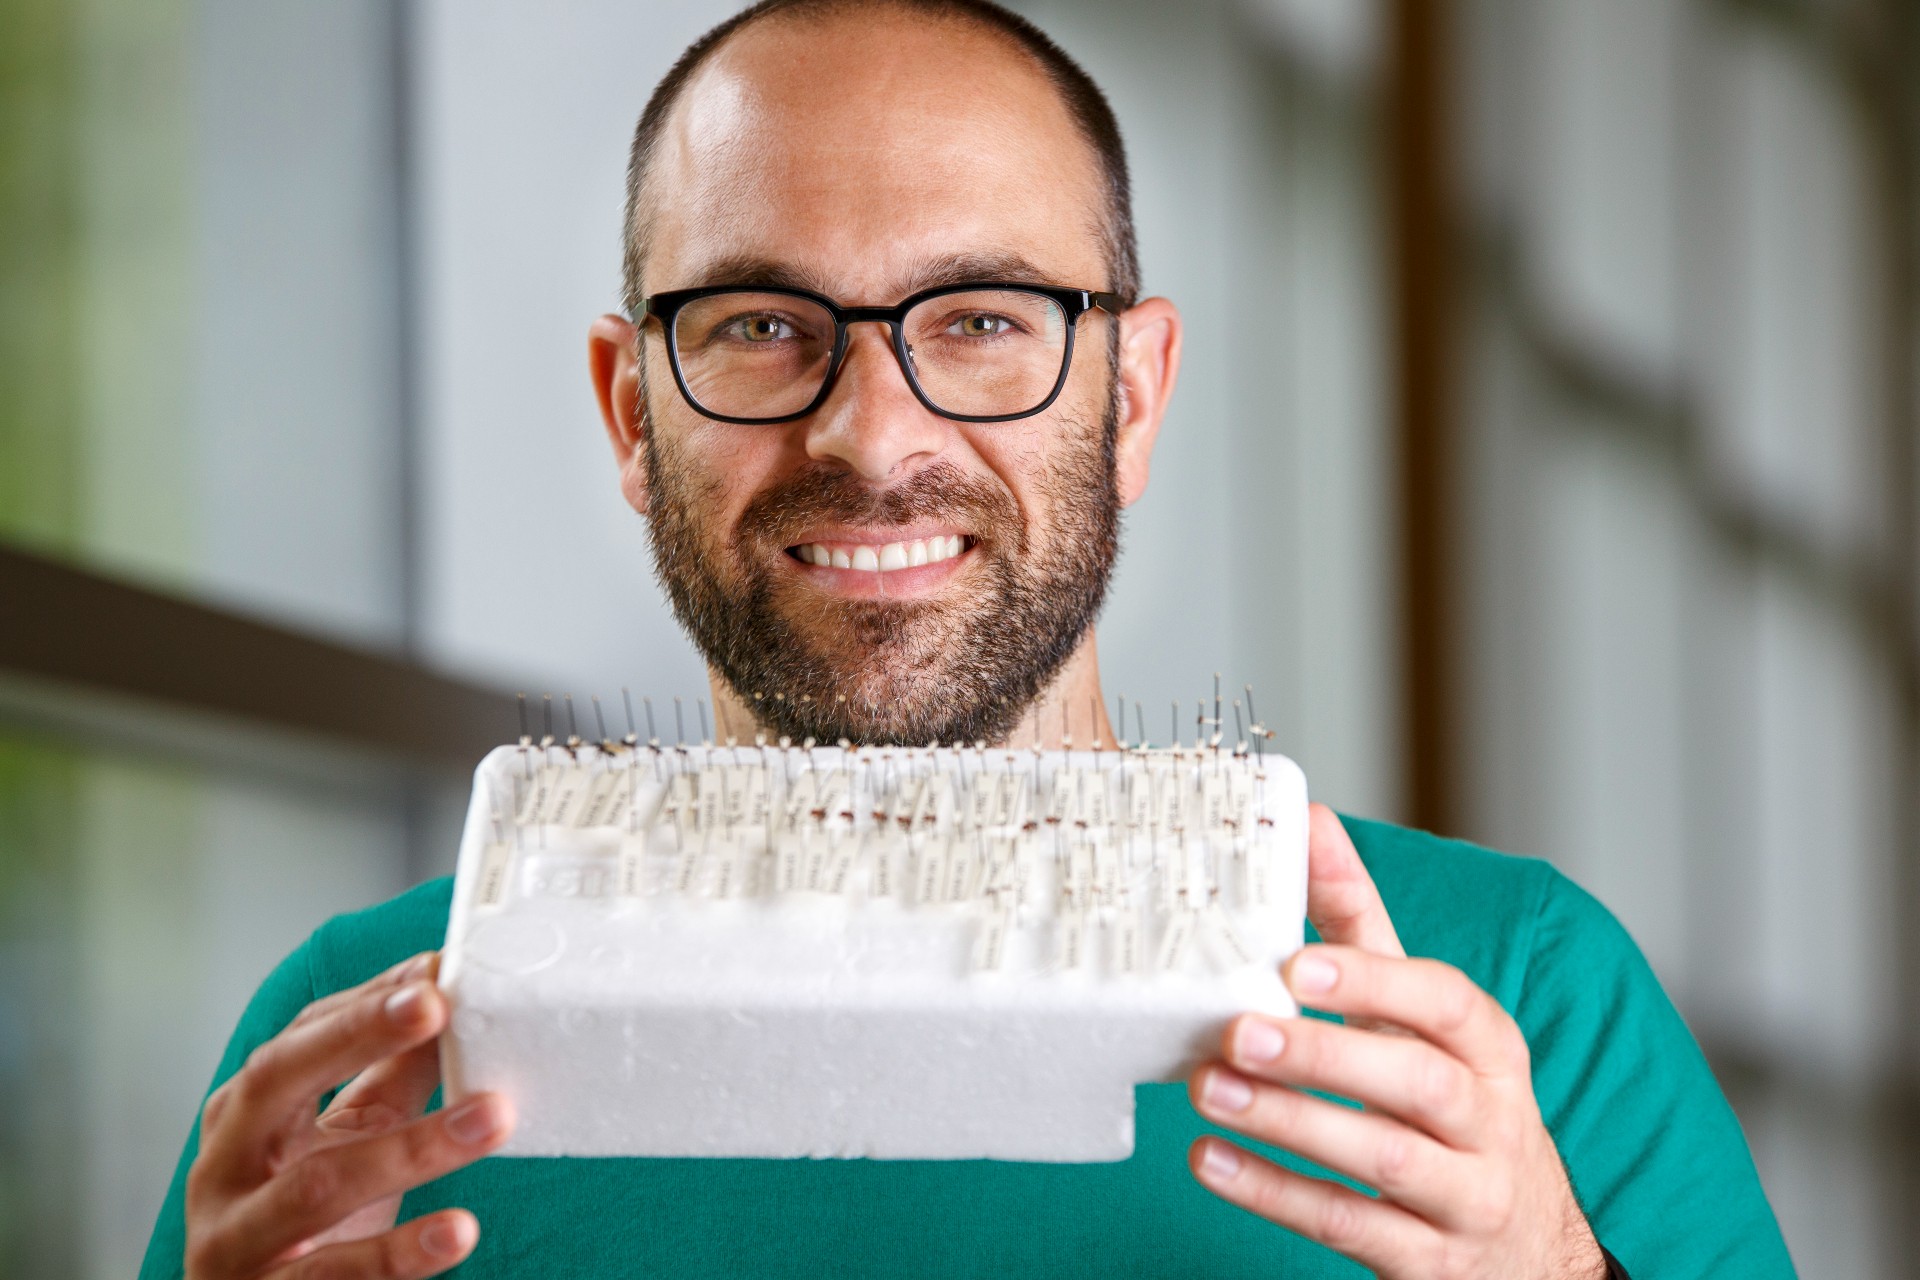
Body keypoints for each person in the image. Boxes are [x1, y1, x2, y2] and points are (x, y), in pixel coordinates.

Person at [140, 2, 1796, 1277]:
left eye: (986, 323)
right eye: (762, 326)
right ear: (629, 411)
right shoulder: (359, 1052)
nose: (872, 430)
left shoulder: (1509, 998)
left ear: (1130, 395)